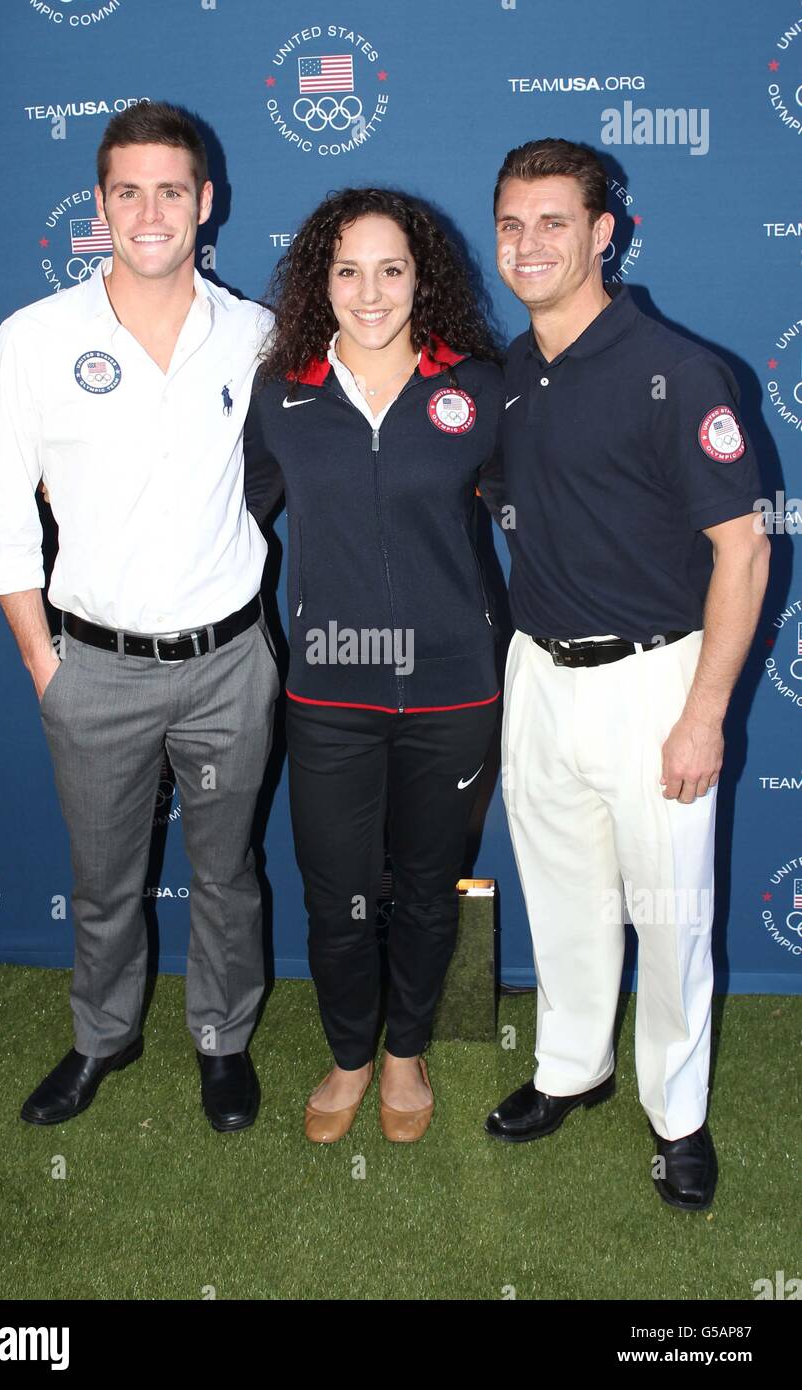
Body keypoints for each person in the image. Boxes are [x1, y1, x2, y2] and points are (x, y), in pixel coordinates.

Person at [0, 102, 279, 1132]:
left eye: (171, 190)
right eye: (127, 191)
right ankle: (103, 1034)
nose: (150, 210)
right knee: (102, 881)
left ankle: (222, 1038)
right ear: (100, 206)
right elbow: (3, 516)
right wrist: (41, 663)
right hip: (92, 669)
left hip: (231, 661)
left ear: (206, 202)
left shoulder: (255, 336)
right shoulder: (32, 339)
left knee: (225, 872)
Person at [484, 139, 770, 1209]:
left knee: (668, 914)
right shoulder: (505, 375)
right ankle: (571, 1067)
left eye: (553, 222)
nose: (528, 243)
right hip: (538, 672)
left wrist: (704, 715)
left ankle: (677, 1114)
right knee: (559, 898)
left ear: (604, 233)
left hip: (657, 680)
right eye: (511, 222)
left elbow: (742, 550)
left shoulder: (678, 371)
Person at [244, 189, 504, 1143]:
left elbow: (545, 511)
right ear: (322, 280)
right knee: (338, 892)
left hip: (454, 689)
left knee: (429, 888)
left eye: (390, 269)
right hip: (331, 690)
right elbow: (221, 513)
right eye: (347, 269)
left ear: (420, 277)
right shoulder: (284, 394)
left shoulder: (476, 386)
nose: (370, 290)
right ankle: (352, 1053)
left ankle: (408, 1054)